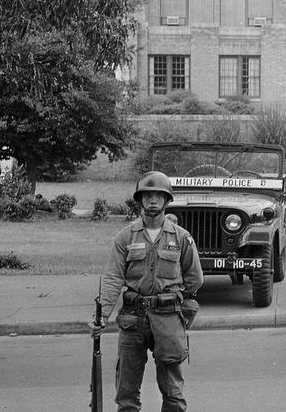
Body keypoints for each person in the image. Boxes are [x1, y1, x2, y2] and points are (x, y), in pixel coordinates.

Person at [89, 171, 202, 412]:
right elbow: (113, 278)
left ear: (166, 200)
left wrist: (179, 304)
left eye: (158, 196)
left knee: (173, 394)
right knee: (127, 394)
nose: (152, 201)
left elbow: (194, 278)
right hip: (133, 320)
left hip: (168, 319)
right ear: (139, 200)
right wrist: (102, 316)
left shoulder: (182, 238)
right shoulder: (125, 237)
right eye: (147, 195)